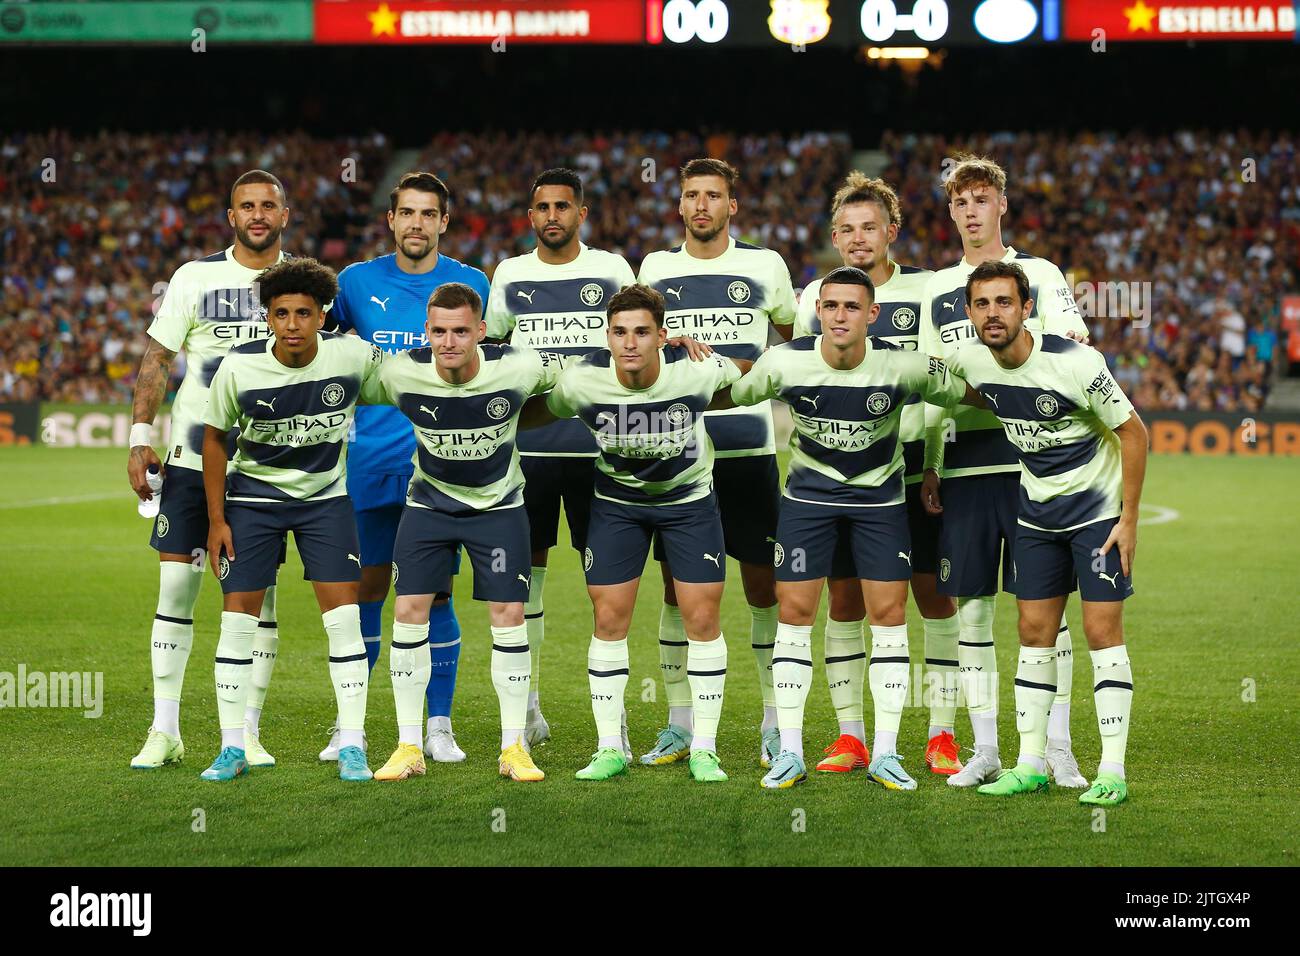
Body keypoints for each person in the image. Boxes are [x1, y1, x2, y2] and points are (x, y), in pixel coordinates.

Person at [732, 267, 974, 790]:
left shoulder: (903, 366)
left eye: (851, 307)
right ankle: (791, 751)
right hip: (805, 503)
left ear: (872, 314)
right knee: (795, 616)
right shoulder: (784, 363)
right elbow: (730, 391)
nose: (840, 315)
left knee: (889, 618)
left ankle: (885, 752)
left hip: (880, 504)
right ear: (818, 311)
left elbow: (969, 389)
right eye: (831, 305)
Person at [928, 261, 1145, 805]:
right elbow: (927, 371)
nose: (992, 313)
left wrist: (1129, 519)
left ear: (1027, 308)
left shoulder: (1076, 362)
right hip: (1036, 518)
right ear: (970, 313)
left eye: (1004, 302)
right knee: (1032, 632)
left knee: (1100, 633)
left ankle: (1112, 772)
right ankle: (1030, 763)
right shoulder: (972, 359)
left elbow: (1134, 433)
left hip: (1095, 518)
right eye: (982, 304)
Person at [918, 154, 1091, 788]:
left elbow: (1073, 348)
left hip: (1036, 466)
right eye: (960, 201)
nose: (970, 211)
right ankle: (986, 749)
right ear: (951, 212)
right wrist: (934, 463)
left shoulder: (1039, 273)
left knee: (1048, 614)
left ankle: (1057, 746)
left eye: (981, 199)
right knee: (972, 612)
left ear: (1001, 206)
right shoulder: (939, 289)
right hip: (966, 469)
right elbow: (938, 385)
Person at [539, 284, 749, 783]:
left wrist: (707, 349)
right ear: (607, 337)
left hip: (689, 503)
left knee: (702, 617)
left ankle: (704, 747)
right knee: (609, 616)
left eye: (641, 332)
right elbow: (539, 402)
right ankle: (611, 747)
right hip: (617, 506)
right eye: (619, 333)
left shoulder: (696, 368)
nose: (629, 343)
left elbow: (749, 371)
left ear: (662, 336)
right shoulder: (581, 382)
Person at [793, 172, 962, 777]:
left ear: (892, 230)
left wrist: (936, 465)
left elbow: (942, 383)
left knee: (933, 599)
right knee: (845, 601)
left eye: (870, 227)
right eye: (847, 229)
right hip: (840, 472)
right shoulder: (813, 297)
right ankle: (851, 737)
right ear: (834, 237)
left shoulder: (928, 291)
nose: (859, 239)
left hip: (916, 468)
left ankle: (941, 734)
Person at [322, 172, 490, 763]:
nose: (416, 224)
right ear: (389, 220)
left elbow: (494, 364)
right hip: (368, 462)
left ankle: (438, 724)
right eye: (406, 214)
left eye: (428, 214)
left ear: (445, 222)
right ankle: (353, 725)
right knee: (364, 591)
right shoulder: (355, 283)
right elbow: (324, 350)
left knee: (434, 596)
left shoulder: (471, 283)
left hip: (441, 467)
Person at [127, 170, 290, 771]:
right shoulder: (195, 278)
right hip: (191, 461)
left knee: (258, 602)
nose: (257, 214)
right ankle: (163, 729)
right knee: (175, 589)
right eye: (246, 205)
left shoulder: (298, 282)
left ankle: (247, 731)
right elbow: (158, 357)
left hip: (265, 469)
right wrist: (141, 435)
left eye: (267, 205)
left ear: (284, 214)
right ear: (230, 216)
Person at [200, 257, 384, 783]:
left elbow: (403, 382)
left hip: (326, 499)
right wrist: (217, 520)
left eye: (304, 313)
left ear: (322, 316)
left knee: (344, 622)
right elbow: (214, 438)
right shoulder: (239, 366)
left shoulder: (352, 357)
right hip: (253, 501)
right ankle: (232, 747)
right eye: (281, 314)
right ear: (268, 318)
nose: (293, 325)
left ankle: (352, 743)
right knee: (238, 623)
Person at [637, 158, 795, 769]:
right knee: (678, 592)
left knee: (765, 589)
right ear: (679, 206)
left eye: (714, 196)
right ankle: (680, 724)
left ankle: (775, 721)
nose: (702, 205)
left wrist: (751, 372)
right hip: (673, 454)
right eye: (691, 196)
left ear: (733, 205)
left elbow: (794, 340)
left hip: (748, 450)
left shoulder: (764, 266)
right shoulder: (656, 268)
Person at [365, 283, 558, 784]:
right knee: (408, 612)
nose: (448, 341)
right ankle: (409, 745)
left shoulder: (519, 366)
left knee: (508, 614)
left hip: (498, 506)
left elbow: (571, 384)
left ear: (482, 332)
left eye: (460, 331)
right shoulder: (398, 371)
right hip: (428, 504)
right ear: (426, 331)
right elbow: (339, 377)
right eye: (439, 331)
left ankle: (513, 747)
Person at [484, 167, 636, 753]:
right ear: (531, 217)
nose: (552, 216)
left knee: (610, 589)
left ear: (582, 214)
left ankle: (614, 723)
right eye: (542, 207)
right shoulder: (511, 274)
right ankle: (528, 709)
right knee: (527, 584)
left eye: (563, 206)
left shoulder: (613, 270)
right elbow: (493, 348)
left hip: (603, 452)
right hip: (531, 453)